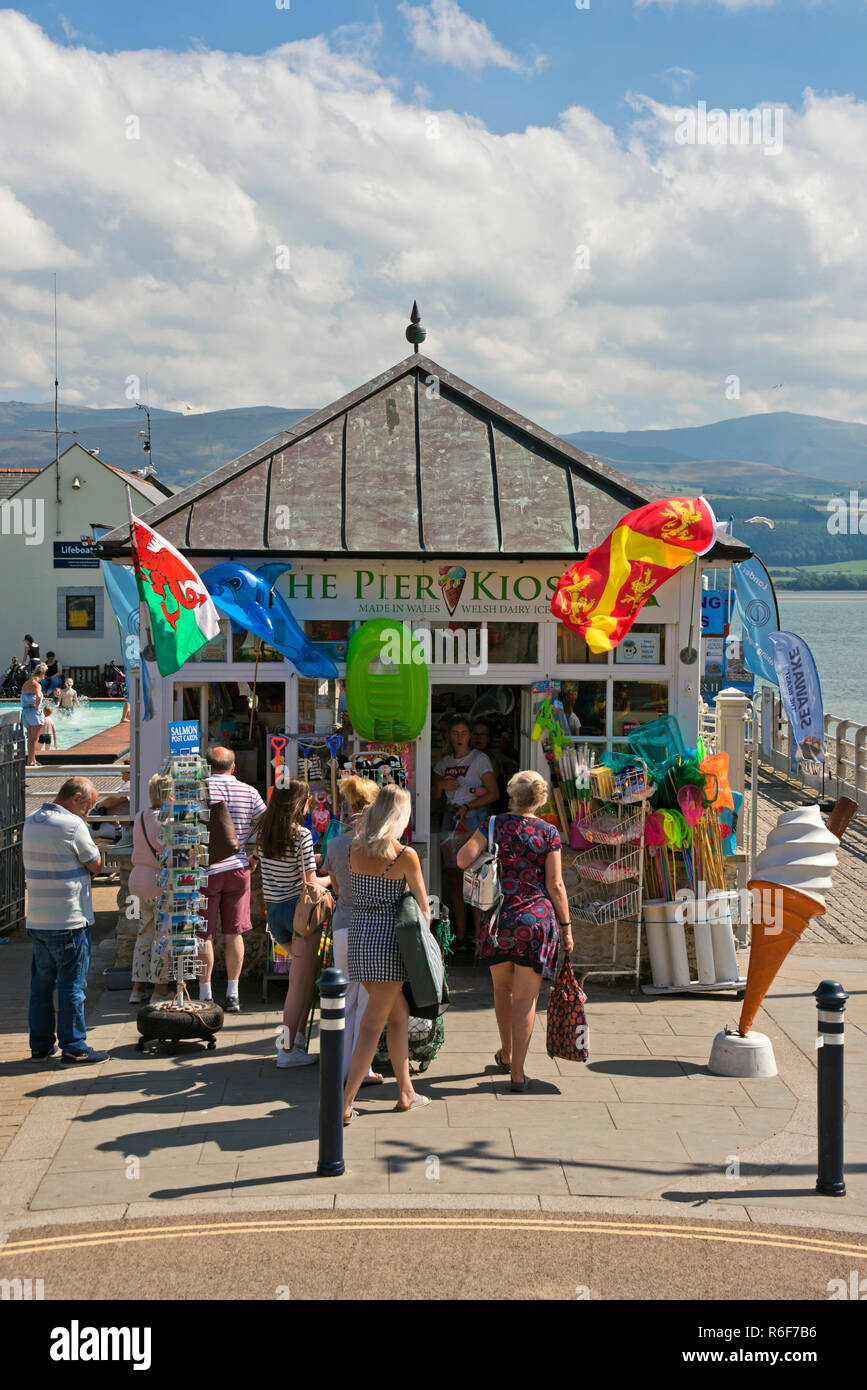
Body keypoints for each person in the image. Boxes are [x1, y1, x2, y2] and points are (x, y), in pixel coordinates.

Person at [457, 770, 573, 1092]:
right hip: (535, 921)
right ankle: (518, 1073)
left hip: (498, 919)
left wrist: (492, 856)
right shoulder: (548, 832)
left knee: (502, 992)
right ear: (541, 799)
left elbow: (462, 859)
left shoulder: (493, 825)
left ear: (511, 794)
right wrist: (565, 928)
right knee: (526, 998)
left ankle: (506, 1053)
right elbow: (556, 885)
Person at [342, 785, 431, 1124]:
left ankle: (406, 1091)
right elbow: (423, 909)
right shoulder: (404, 855)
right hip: (390, 945)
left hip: (360, 940)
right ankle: (345, 1102)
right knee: (371, 1026)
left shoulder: (353, 848)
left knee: (398, 1015)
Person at [23, 776, 110, 1064]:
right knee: (73, 985)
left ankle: (41, 1044)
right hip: (69, 919)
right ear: (76, 797)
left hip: (38, 917)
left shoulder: (32, 820)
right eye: (89, 806)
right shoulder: (73, 825)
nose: (88, 813)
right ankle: (74, 1046)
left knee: (41, 984)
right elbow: (95, 863)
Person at [254, 779, 332, 1068]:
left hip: (275, 913)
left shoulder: (264, 832)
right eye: (308, 799)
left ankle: (297, 1040)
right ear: (300, 803)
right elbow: (310, 883)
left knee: (302, 977)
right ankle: (286, 1049)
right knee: (299, 983)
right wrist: (332, 879)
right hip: (300, 912)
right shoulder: (301, 834)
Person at [324, 775, 383, 1087]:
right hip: (373, 928)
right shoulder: (380, 845)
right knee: (367, 1004)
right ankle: (363, 1068)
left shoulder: (335, 843)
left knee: (345, 1000)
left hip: (344, 924)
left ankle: (341, 1063)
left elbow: (335, 887)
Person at [200, 745, 266, 1014]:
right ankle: (233, 993)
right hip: (238, 869)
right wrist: (255, 855)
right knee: (234, 932)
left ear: (207, 765)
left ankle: (205, 994)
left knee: (203, 934)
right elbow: (266, 823)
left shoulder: (198, 788)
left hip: (205, 870)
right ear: (233, 767)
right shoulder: (249, 792)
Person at [432, 715, 498, 950]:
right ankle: (460, 936)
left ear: (470, 735)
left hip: (473, 818)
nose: (459, 738)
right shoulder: (442, 763)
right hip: (450, 818)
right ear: (448, 736)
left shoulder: (480, 759)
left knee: (476, 879)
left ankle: (480, 937)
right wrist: (439, 785)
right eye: (455, 733)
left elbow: (494, 793)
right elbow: (433, 798)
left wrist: (468, 805)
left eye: (463, 733)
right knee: (454, 878)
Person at [129, 774, 175, 1005]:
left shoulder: (139, 816)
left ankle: (137, 989)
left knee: (143, 934)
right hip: (160, 882)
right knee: (162, 937)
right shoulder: (171, 820)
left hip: (138, 880)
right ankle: (160, 989)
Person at [21, 662, 46, 766]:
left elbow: (26, 697)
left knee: (30, 738)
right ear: (42, 675)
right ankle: (30, 761)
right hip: (34, 713)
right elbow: (38, 696)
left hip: (26, 712)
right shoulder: (37, 684)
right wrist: (37, 706)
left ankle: (32, 760)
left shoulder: (26, 683)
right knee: (34, 738)